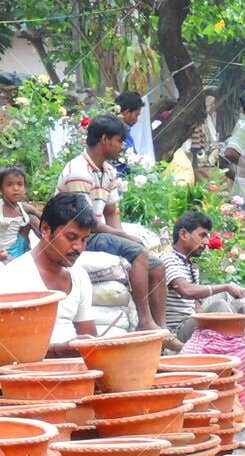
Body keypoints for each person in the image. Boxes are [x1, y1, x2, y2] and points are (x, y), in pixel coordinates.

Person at [57, 114, 169, 336]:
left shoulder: (107, 171)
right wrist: (125, 239)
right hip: (79, 235)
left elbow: (111, 212)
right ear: (105, 140)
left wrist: (121, 235)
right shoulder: (78, 171)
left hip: (96, 231)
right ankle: (145, 322)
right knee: (139, 253)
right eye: (119, 140)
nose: (122, 146)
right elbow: (86, 222)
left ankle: (162, 328)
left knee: (157, 266)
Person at [0, 192, 102, 356]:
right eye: (71, 237)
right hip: (29, 376)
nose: (78, 247)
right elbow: (6, 349)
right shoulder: (14, 277)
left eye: (84, 240)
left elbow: (90, 339)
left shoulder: (79, 276)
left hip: (74, 371)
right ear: (45, 230)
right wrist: (58, 350)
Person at [160, 210, 245, 340]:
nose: (206, 242)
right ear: (183, 234)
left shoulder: (190, 266)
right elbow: (186, 290)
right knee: (219, 307)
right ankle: (236, 344)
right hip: (176, 331)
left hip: (189, 324)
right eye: (202, 235)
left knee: (233, 304)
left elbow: (196, 307)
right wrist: (226, 287)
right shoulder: (169, 258)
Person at [0, 166, 38, 260]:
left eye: (20, 184)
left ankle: (50, 252)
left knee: (32, 218)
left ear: (25, 188)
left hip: (16, 249)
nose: (16, 188)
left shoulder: (25, 207)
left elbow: (45, 218)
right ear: (1, 189)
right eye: (9, 185)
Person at [116, 89, 155, 163]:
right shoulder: (117, 132)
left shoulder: (126, 130)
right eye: (136, 115)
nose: (136, 120)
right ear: (127, 112)